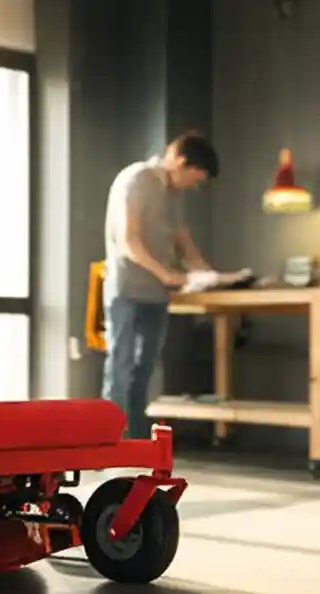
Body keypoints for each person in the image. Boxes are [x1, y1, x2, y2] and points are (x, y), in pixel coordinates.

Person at [101, 131, 221, 439]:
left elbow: (183, 239)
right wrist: (166, 274)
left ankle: (138, 439)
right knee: (121, 365)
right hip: (127, 288)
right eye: (197, 177)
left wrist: (208, 274)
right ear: (181, 162)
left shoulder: (174, 195)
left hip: (157, 294)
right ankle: (109, 439)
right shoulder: (137, 179)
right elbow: (128, 240)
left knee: (145, 370)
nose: (196, 184)